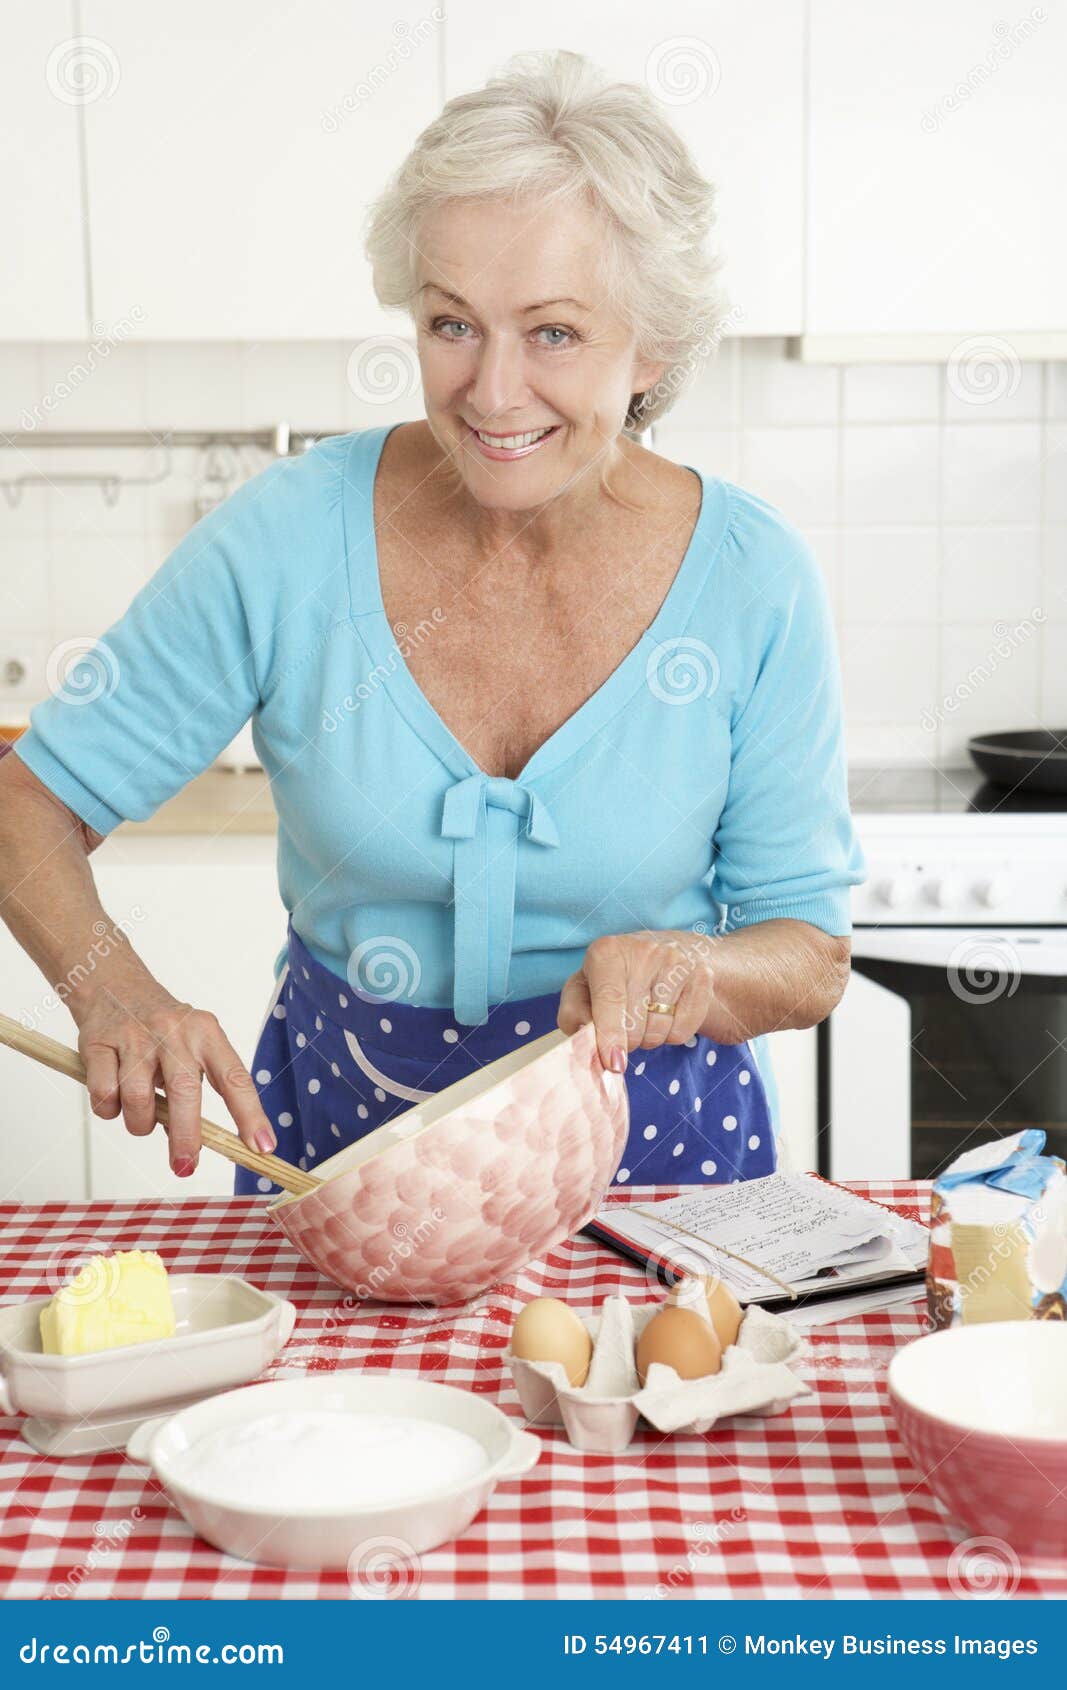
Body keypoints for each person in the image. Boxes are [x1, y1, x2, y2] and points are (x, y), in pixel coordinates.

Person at [0, 50, 864, 1197]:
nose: (492, 392)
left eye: (552, 332)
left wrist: (694, 970)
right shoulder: (289, 535)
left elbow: (805, 955)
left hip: (664, 1185)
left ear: (651, 343)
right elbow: (30, 809)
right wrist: (112, 987)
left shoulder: (753, 577)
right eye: (453, 324)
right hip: (347, 1170)